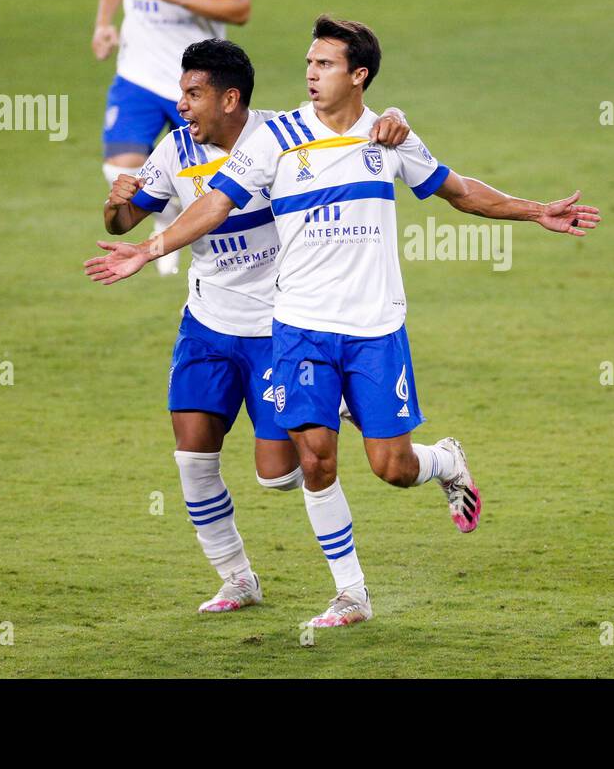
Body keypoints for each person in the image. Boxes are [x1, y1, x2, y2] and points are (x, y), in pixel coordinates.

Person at [85, 15, 602, 627]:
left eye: (324, 64)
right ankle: (350, 594)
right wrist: (148, 248)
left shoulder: (390, 139)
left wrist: (535, 209)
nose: (309, 72)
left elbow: (460, 191)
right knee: (314, 462)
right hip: (298, 325)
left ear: (358, 75)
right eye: (308, 62)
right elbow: (216, 203)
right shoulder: (275, 138)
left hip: (376, 329)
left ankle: (442, 461)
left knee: (392, 467)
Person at [101, 38, 410, 613]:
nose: (183, 105)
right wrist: (118, 205)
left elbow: (354, 128)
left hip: (278, 326)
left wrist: (394, 119)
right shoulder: (174, 152)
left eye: (193, 94)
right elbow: (122, 220)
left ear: (230, 98)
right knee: (193, 455)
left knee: (278, 474)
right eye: (181, 93)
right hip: (208, 324)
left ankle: (334, 402)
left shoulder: (281, 138)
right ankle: (237, 576)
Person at [93, 0, 252, 276]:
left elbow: (240, 8)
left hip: (196, 80)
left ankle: (175, 224)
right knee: (118, 166)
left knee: (214, 181)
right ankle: (162, 214)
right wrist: (104, 23)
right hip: (137, 73)